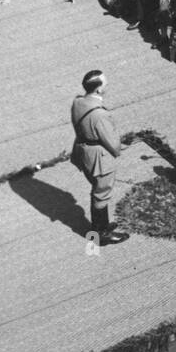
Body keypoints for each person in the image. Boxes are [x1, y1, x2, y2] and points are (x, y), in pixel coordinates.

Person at [69, 70, 129, 245]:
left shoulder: (78, 102)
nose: (107, 86)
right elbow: (115, 147)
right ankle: (100, 234)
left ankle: (102, 226)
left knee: (97, 190)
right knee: (101, 194)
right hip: (99, 159)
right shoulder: (99, 114)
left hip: (83, 152)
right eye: (105, 84)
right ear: (98, 90)